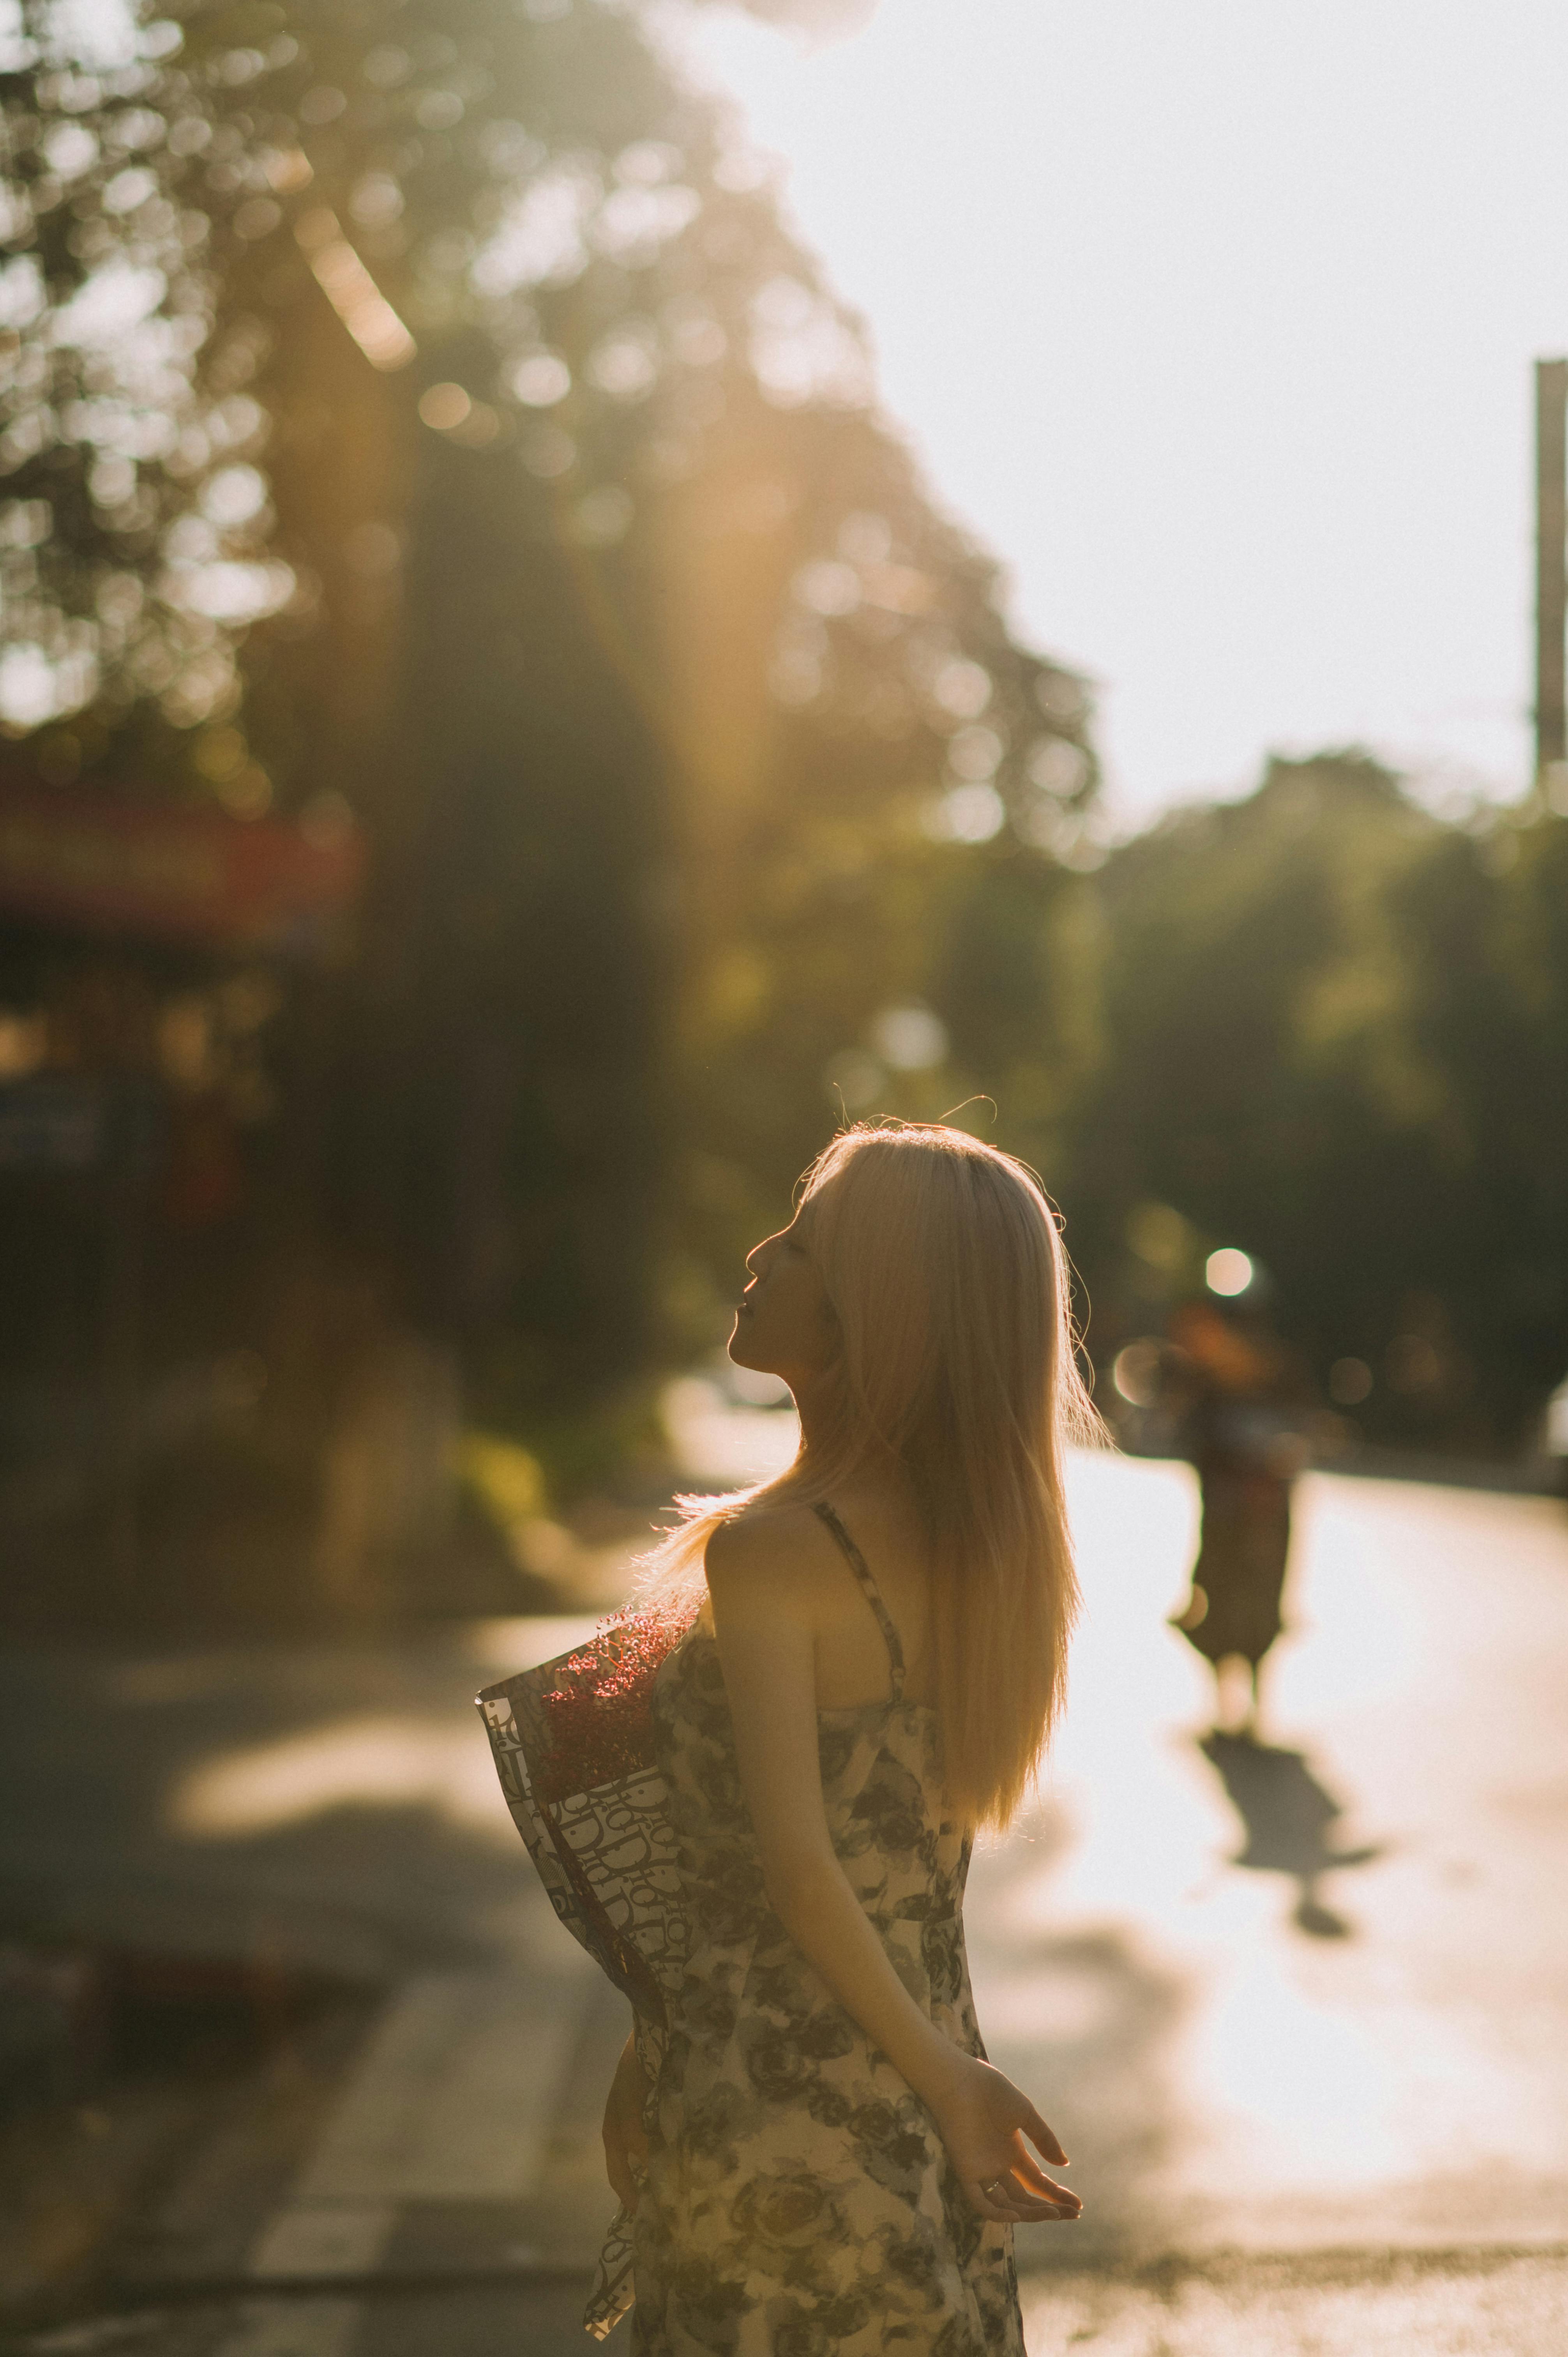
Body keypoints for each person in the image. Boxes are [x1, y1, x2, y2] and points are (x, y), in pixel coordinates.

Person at [480, 1122, 1093, 2352]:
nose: (762, 1254)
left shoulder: (774, 1553)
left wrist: (945, 2089)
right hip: (916, 2095)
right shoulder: (981, 1553)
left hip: (779, 2124)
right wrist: (946, 2084)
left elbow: (798, 1873)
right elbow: (880, 1876)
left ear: (885, 1304)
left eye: (805, 1243)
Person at [1165, 1295, 1308, 1737]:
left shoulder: (1277, 1374)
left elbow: (1299, 1435)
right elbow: (1197, 1442)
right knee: (1219, 1601)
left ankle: (1254, 1703)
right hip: (1229, 1512)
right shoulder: (1212, 1381)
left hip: (1264, 1513)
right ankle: (1226, 1701)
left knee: (1260, 1605)